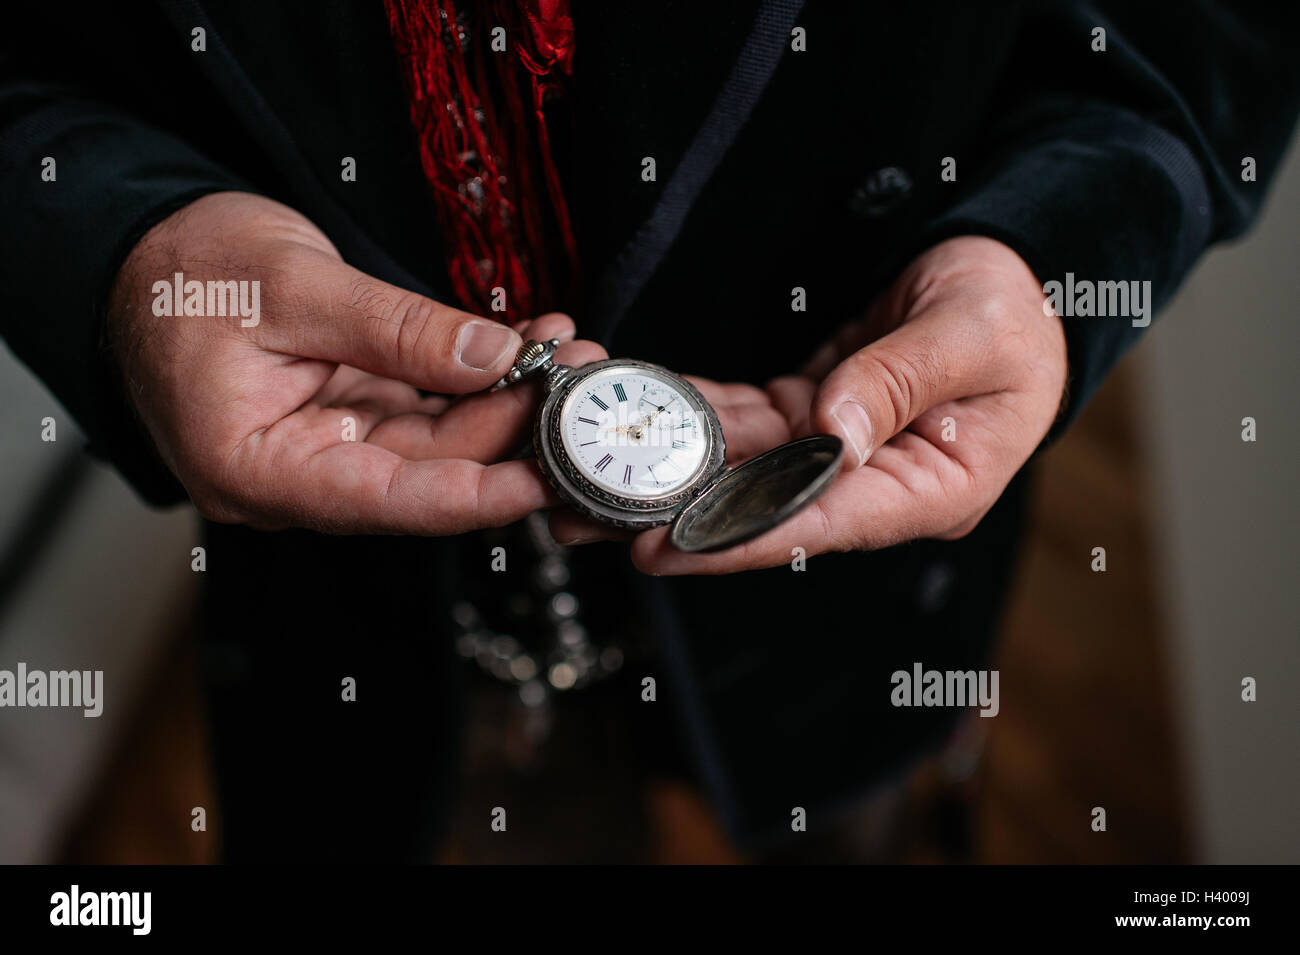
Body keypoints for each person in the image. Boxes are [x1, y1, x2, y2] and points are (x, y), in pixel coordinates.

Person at [2, 2, 1296, 861]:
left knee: (848, 819)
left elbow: (1201, 38)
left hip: (856, 575)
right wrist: (126, 268)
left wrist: (1058, 252)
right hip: (368, 612)